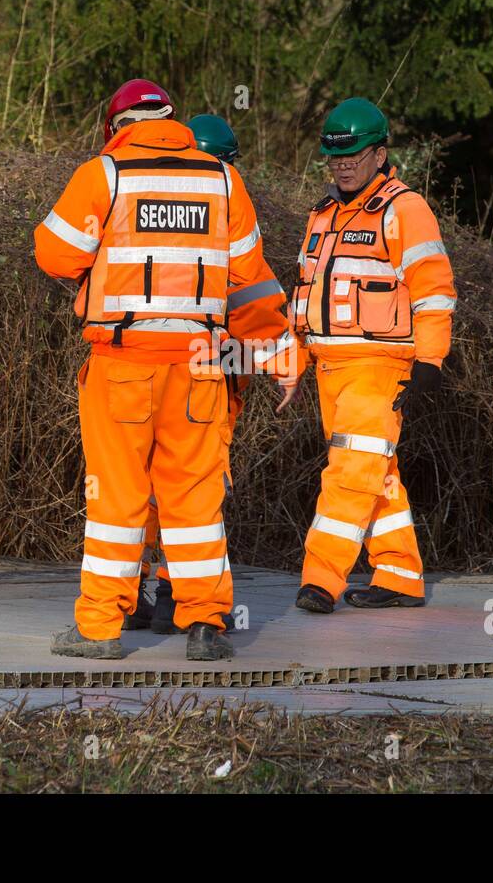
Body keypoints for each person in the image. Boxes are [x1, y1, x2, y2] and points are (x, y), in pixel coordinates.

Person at [34, 80, 300, 660]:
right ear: (173, 120)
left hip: (122, 365)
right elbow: (251, 282)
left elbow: (54, 254)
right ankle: (205, 624)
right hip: (201, 368)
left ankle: (101, 627)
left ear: (115, 127)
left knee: (117, 498)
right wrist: (278, 351)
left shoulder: (104, 174)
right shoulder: (222, 180)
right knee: (196, 499)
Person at [287, 97, 457, 613]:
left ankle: (321, 577)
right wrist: (292, 364)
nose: (341, 164)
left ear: (380, 155)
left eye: (353, 154)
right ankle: (400, 575)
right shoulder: (321, 215)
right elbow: (305, 296)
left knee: (349, 472)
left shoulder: (406, 209)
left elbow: (434, 291)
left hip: (379, 368)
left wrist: (430, 362)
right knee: (374, 471)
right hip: (328, 369)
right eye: (334, 156)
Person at [131, 113, 287, 635]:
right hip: (204, 379)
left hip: (139, 374)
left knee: (140, 487)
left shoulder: (141, 205)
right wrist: (282, 360)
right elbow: (257, 299)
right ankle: (184, 600)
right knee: (195, 489)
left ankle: (134, 595)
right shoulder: (224, 211)